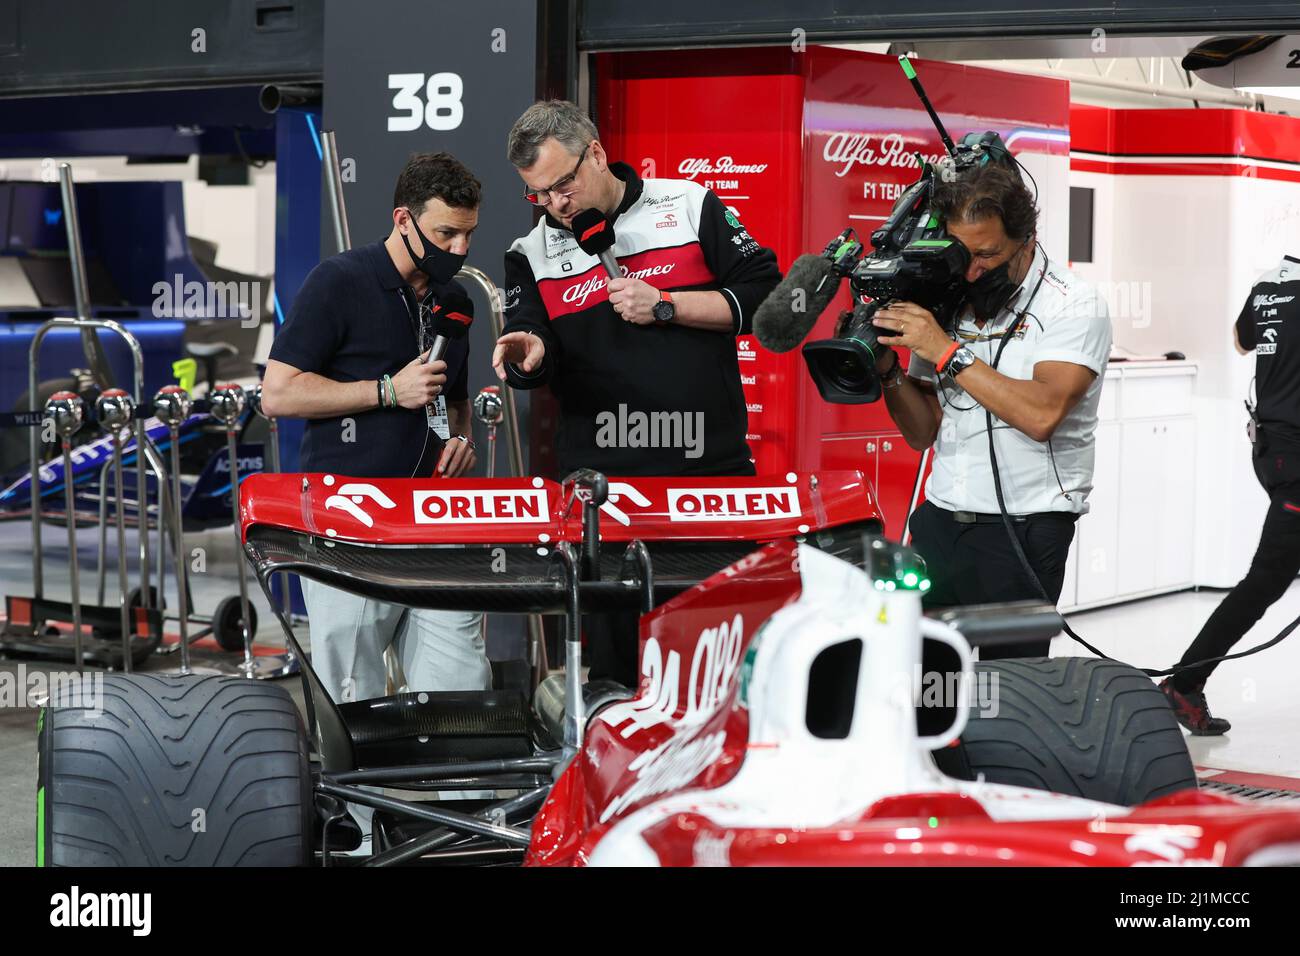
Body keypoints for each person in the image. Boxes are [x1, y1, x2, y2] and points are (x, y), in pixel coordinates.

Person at [492, 99, 781, 683]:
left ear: (595, 153)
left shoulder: (689, 204)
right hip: (603, 492)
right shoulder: (531, 253)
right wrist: (527, 355)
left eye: (561, 186)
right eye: (538, 195)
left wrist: (668, 307)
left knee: (726, 668)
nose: (554, 205)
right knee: (621, 678)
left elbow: (769, 300)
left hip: (708, 476)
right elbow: (530, 348)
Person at [261, 152, 490, 710]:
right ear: (403, 220)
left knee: (459, 685)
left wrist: (460, 438)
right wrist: (386, 391)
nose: (458, 250)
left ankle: (450, 798)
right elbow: (278, 393)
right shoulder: (338, 280)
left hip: (437, 524)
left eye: (468, 235)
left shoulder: (455, 301)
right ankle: (357, 803)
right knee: (352, 697)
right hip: (349, 522)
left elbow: (455, 403)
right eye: (445, 234)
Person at [870, 162, 1112, 659]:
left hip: (1025, 529)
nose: (974, 269)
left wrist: (946, 350)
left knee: (1008, 694)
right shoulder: (950, 301)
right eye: (964, 255)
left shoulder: (1074, 304)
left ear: (1028, 239)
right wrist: (889, 373)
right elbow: (923, 432)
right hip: (940, 521)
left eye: (988, 254)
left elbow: (1041, 415)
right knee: (927, 685)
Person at [1161, 256, 1300, 735]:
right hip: (1294, 460)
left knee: (1270, 578)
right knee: (1266, 580)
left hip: (1271, 448)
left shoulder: (1272, 282)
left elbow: (1244, 342)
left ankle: (1185, 681)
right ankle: (1184, 682)